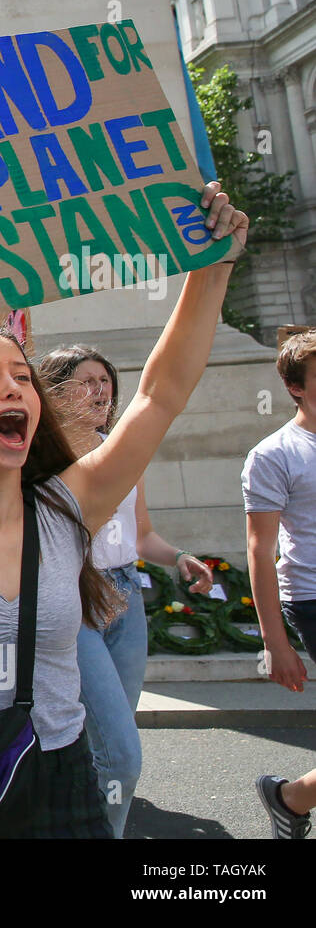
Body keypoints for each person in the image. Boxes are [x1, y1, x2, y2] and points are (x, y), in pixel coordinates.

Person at [0, 183, 247, 838]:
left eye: (22, 376)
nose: (14, 385)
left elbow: (160, 394)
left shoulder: (67, 507)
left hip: (64, 783)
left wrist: (213, 269)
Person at [38, 344, 214, 837]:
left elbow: (141, 535)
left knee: (107, 742)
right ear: (54, 392)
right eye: (87, 381)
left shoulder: (120, 447)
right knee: (121, 756)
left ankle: (76, 819)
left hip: (126, 598)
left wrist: (178, 558)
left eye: (107, 383)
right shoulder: (38, 458)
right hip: (72, 602)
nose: (101, 392)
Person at [243, 328, 316, 838]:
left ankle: (289, 798)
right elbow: (259, 551)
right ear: (296, 387)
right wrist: (275, 642)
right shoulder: (273, 454)